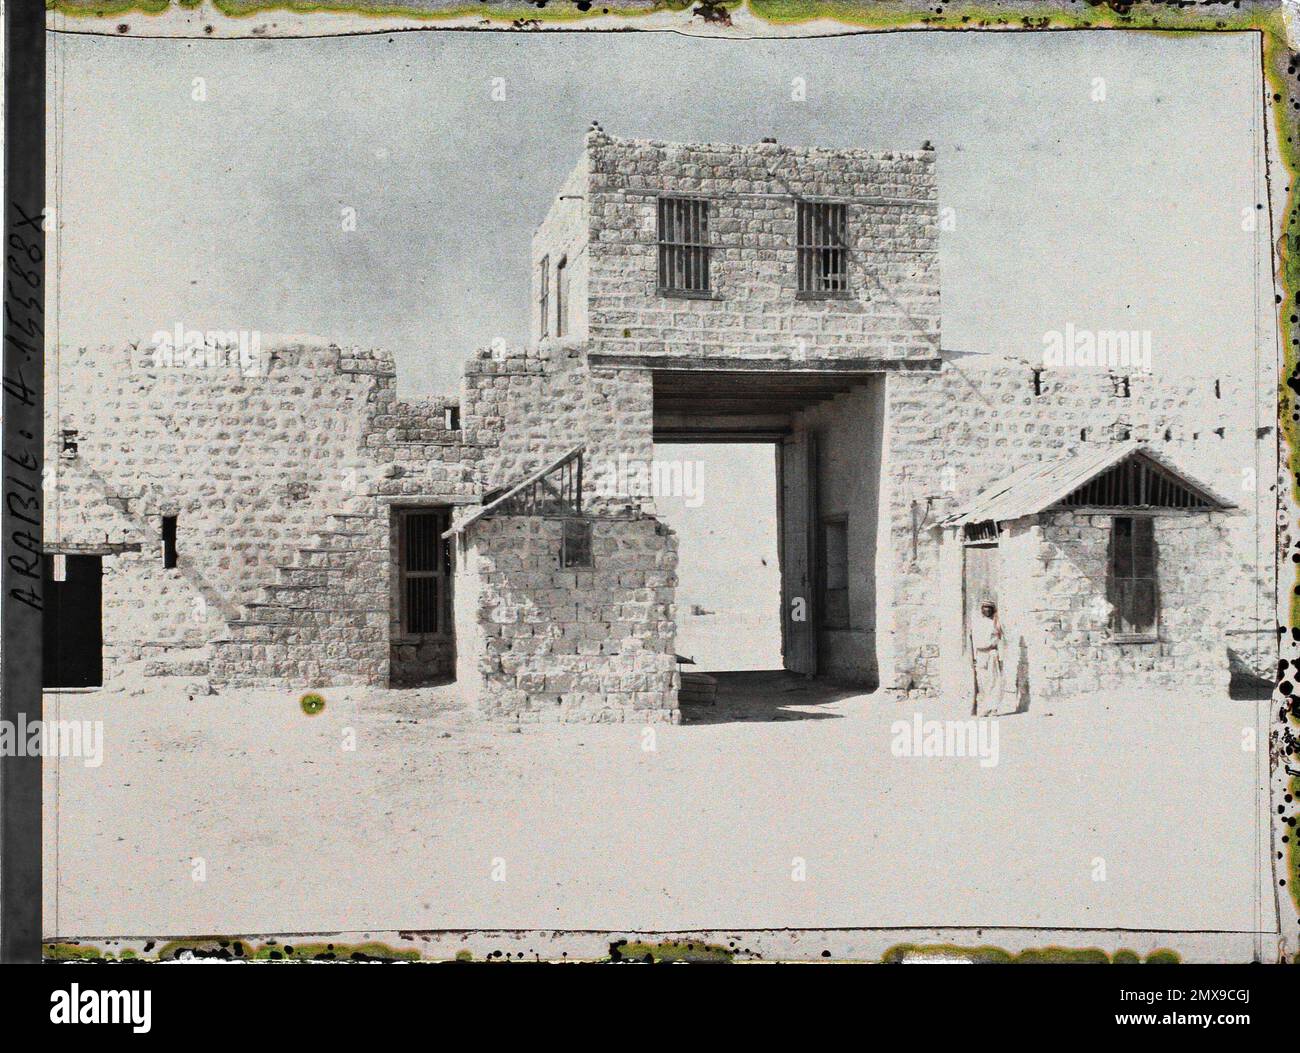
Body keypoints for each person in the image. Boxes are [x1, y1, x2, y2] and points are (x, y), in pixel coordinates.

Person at [970, 599, 1003, 716]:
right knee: (983, 682)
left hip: (992, 653)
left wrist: (1001, 657)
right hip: (980, 654)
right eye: (985, 607)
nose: (987, 610)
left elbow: (1001, 641)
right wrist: (974, 656)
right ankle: (985, 707)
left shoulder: (996, 623)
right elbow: (973, 641)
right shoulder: (977, 623)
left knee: (994, 680)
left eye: (989, 608)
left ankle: (994, 708)